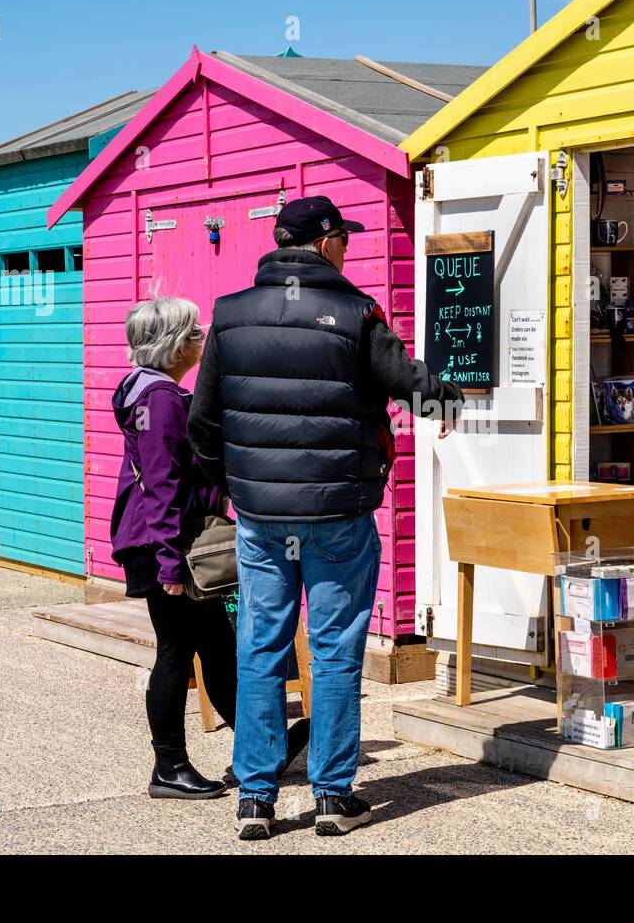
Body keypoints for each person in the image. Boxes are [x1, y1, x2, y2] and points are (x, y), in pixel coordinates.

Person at [190, 195, 463, 840]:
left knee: (260, 648)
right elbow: (412, 383)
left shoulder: (229, 318)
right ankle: (333, 796)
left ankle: (255, 798)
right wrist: (451, 397)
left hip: (260, 518)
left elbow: (203, 424)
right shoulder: (354, 315)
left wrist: (239, 485)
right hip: (338, 512)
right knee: (336, 650)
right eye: (345, 238)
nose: (349, 249)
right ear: (326, 242)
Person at [110, 297, 309, 800]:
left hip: (167, 541)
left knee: (218, 649)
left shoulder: (147, 391)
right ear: (173, 344)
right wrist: (170, 563)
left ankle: (260, 750)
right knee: (176, 653)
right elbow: (162, 484)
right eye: (194, 332)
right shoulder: (158, 401)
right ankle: (169, 767)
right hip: (166, 544)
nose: (202, 338)